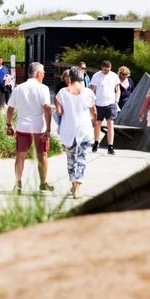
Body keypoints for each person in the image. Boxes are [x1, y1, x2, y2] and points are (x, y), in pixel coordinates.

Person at [6, 62, 54, 193]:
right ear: (38, 73)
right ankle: (43, 183)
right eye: (43, 72)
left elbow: (10, 109)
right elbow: (47, 109)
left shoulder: (19, 88)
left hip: (23, 127)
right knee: (42, 155)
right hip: (39, 128)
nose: (44, 74)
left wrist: (9, 124)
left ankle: (18, 184)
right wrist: (48, 129)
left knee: (20, 156)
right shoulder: (43, 88)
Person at [55, 66, 97, 199]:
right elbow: (94, 111)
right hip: (84, 129)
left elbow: (59, 112)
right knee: (82, 158)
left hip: (68, 130)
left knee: (70, 159)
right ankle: (77, 189)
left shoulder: (62, 92)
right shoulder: (88, 92)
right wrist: (94, 120)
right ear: (82, 77)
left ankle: (73, 185)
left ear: (70, 77)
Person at [90, 60, 121, 155]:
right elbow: (92, 90)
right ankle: (96, 142)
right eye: (104, 70)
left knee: (110, 124)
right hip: (99, 103)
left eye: (108, 70)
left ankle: (110, 146)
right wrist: (92, 102)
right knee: (97, 124)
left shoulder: (114, 76)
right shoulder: (96, 76)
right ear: (101, 68)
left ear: (110, 68)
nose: (106, 71)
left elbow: (118, 89)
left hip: (111, 103)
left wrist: (116, 100)